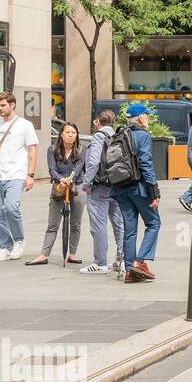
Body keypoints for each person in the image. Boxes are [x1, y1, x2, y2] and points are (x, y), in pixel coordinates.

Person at [112, 102, 162, 284]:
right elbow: (146, 163)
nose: (148, 118)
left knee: (129, 231)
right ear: (141, 117)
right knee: (154, 223)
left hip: (120, 188)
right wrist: (154, 191)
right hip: (139, 187)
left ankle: (129, 271)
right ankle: (139, 262)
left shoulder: (120, 134)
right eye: (146, 115)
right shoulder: (142, 135)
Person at [0, 91, 40, 261]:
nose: (0, 109)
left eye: (3, 105)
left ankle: (18, 241)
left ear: (12, 104)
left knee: (11, 207)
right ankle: (5, 246)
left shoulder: (24, 125)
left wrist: (30, 175)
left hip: (16, 174)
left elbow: (32, 150)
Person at [25, 122, 85, 266]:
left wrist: (69, 179)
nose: (70, 135)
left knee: (75, 223)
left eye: (73, 133)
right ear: (61, 134)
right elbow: (51, 169)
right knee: (53, 224)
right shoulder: (52, 149)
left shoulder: (82, 149)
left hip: (77, 187)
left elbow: (79, 168)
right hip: (58, 187)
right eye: (67, 132)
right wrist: (61, 180)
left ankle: (72, 254)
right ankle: (44, 255)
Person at [79, 109, 125, 276]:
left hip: (100, 186)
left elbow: (93, 162)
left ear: (98, 122)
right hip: (116, 184)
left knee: (98, 225)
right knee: (119, 224)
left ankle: (100, 263)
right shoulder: (118, 136)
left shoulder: (99, 136)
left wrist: (86, 183)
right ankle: (121, 259)